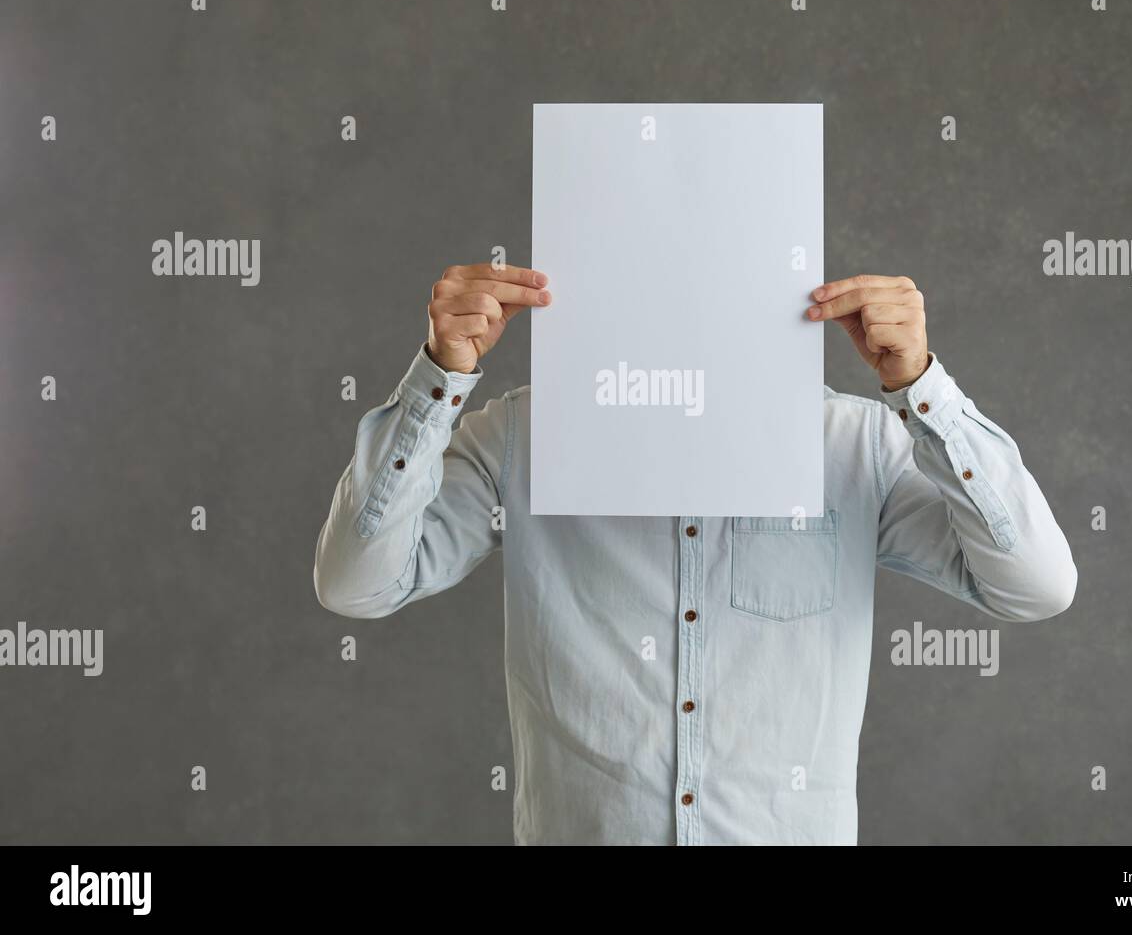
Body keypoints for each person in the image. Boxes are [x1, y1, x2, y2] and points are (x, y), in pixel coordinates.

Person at [313, 263, 1077, 845]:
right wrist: (439, 379)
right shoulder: (522, 439)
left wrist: (922, 390)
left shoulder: (853, 447)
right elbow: (358, 585)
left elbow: (1035, 586)